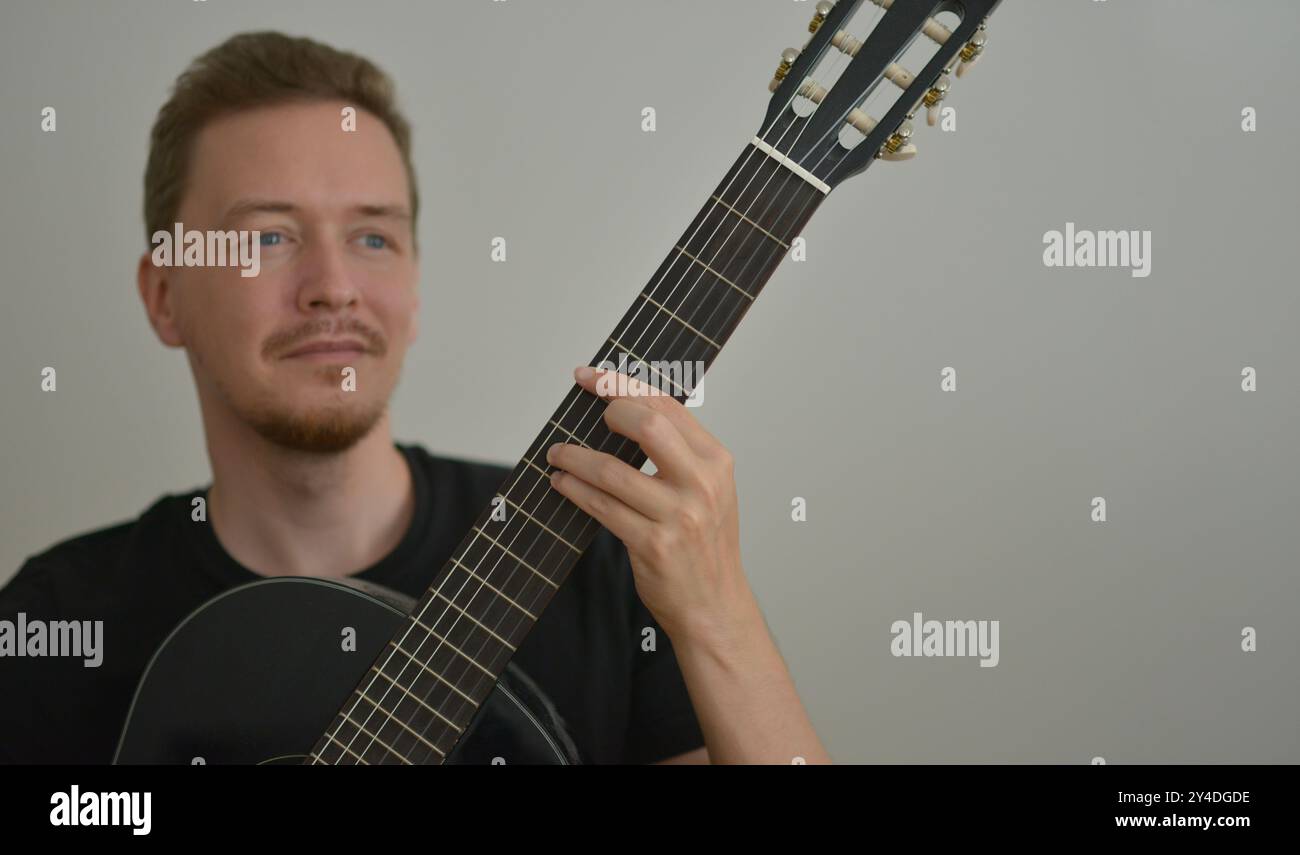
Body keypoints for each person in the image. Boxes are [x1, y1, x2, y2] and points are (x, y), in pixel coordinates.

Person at [0, 31, 830, 765]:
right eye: (267, 237)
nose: (333, 288)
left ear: (414, 283)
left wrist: (721, 619)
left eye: (373, 237)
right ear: (165, 296)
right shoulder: (57, 621)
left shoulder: (605, 560)